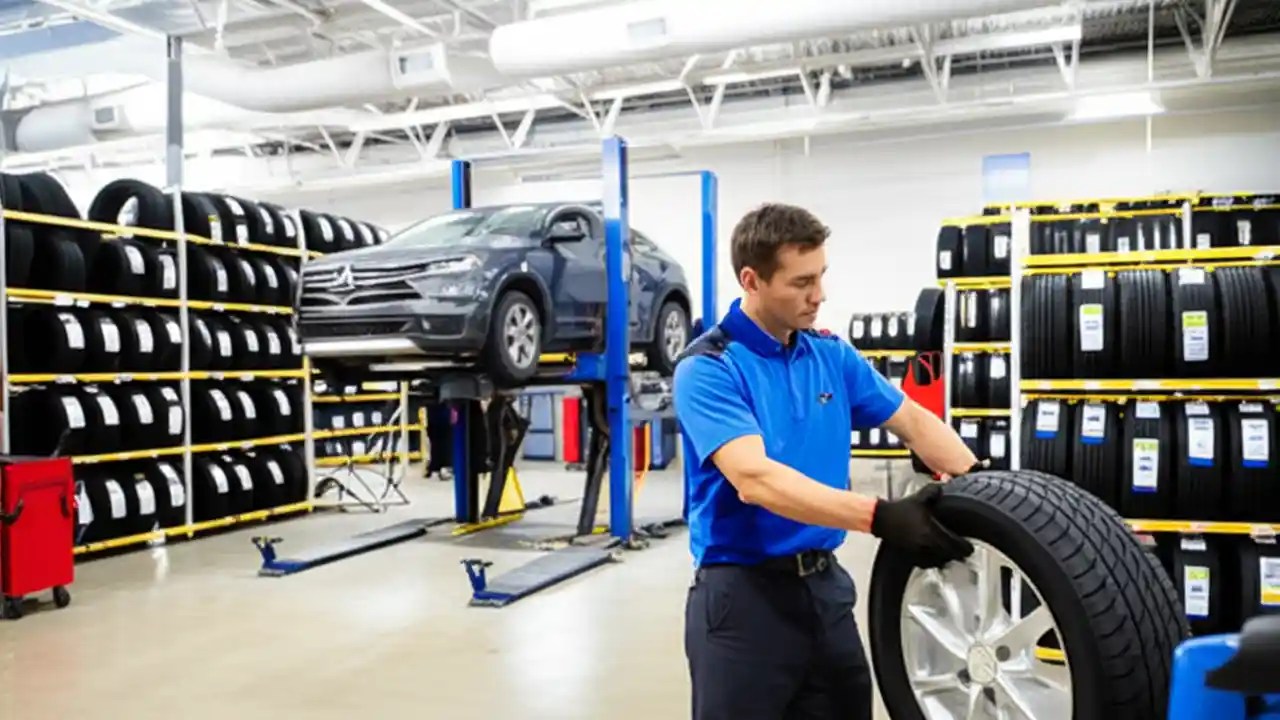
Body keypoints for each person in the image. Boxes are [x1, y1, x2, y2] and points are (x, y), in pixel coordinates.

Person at [672, 203, 982, 720]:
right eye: (801, 282)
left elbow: (914, 422)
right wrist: (880, 516)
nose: (819, 295)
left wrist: (992, 493)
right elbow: (756, 481)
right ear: (752, 280)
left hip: (825, 593)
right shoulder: (709, 369)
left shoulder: (829, 355)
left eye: (821, 276)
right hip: (742, 602)